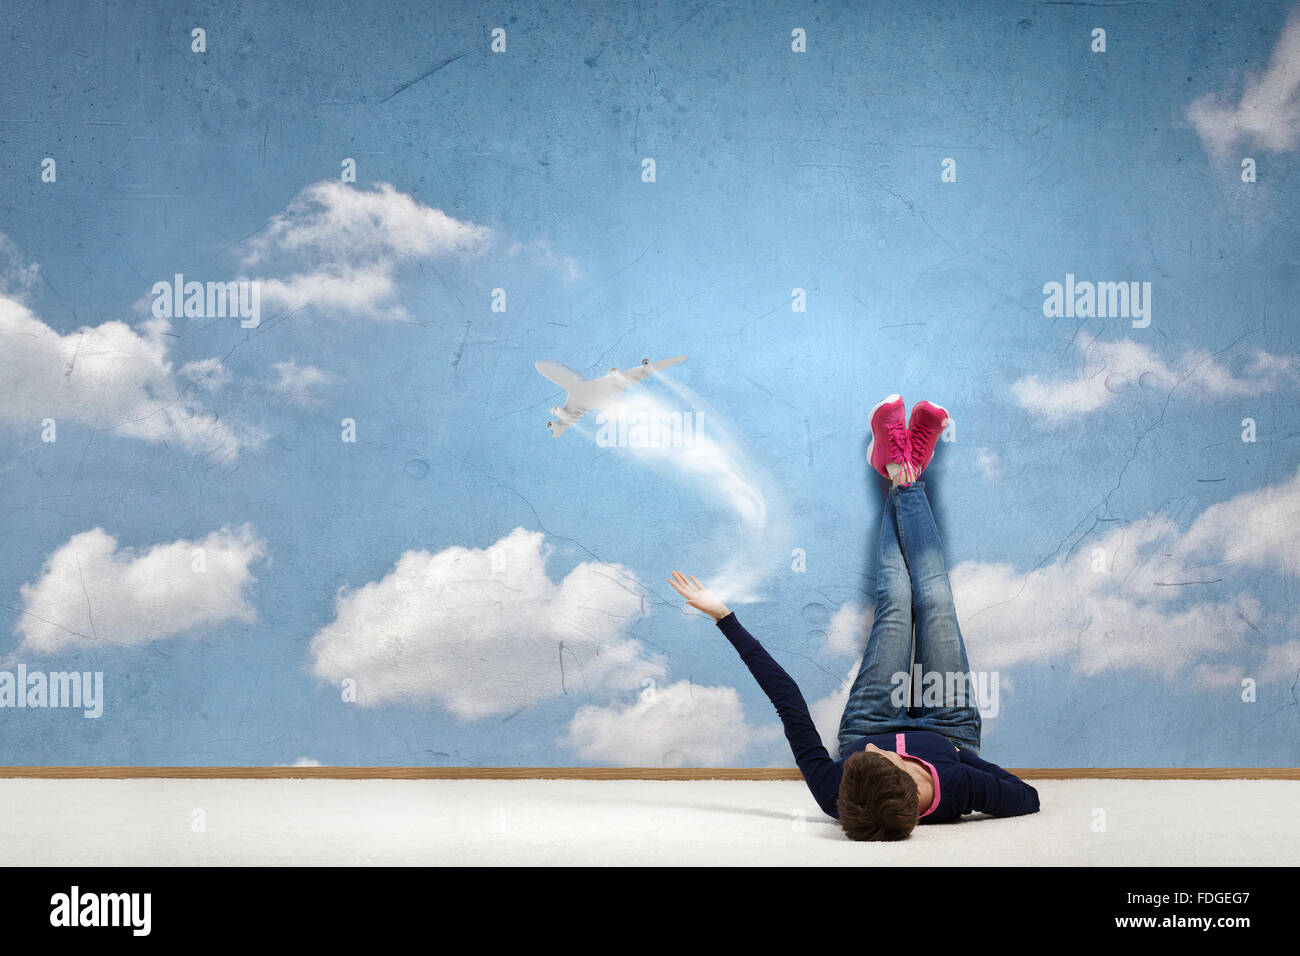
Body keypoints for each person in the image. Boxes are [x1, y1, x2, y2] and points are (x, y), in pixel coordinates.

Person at [667, 395, 1040, 840]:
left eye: (864, 757)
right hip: (949, 729)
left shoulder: (836, 792)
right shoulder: (959, 787)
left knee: (897, 602)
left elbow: (787, 699)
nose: (880, 751)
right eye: (881, 755)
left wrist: (725, 617)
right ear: (911, 775)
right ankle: (903, 471)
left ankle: (902, 471)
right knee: (936, 600)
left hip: (871, 718)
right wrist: (962, 758)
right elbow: (1026, 797)